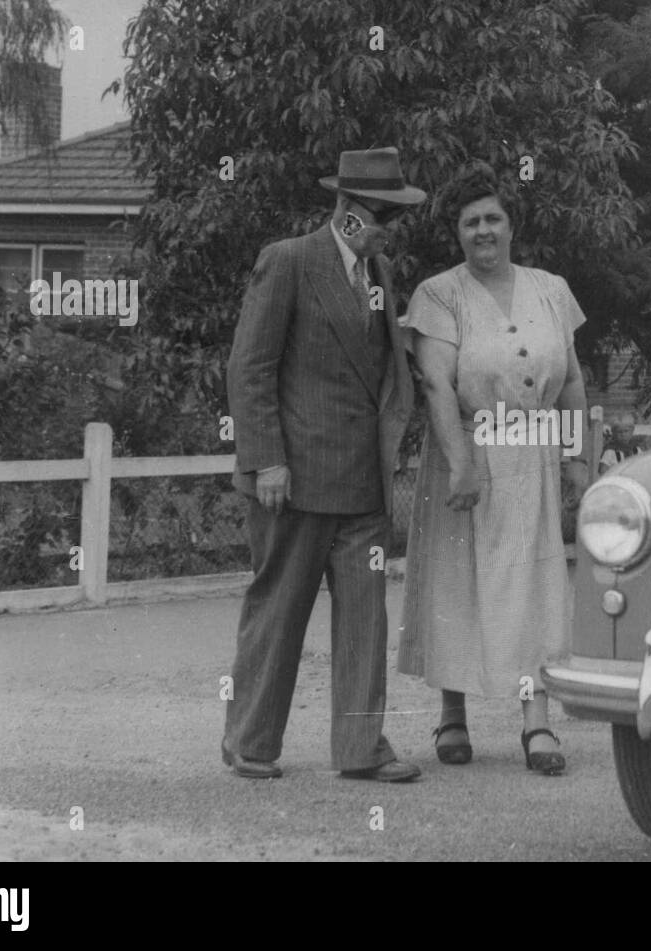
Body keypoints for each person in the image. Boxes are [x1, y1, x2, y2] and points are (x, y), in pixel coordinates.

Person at [222, 147, 425, 782]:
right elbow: (249, 367)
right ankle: (250, 743)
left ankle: (361, 750)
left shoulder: (378, 273)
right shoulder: (287, 261)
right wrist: (266, 461)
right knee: (279, 610)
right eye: (381, 214)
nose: (389, 228)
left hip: (364, 483)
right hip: (295, 481)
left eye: (393, 215)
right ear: (346, 210)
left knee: (367, 618)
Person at [397, 165, 589, 775]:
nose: (483, 230)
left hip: (533, 458)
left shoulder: (551, 288)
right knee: (459, 583)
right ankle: (452, 715)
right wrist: (462, 466)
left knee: (531, 587)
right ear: (457, 233)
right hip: (469, 453)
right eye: (470, 221)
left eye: (493, 218)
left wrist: (580, 456)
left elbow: (575, 381)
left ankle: (537, 724)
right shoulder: (438, 294)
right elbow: (434, 384)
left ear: (512, 226)